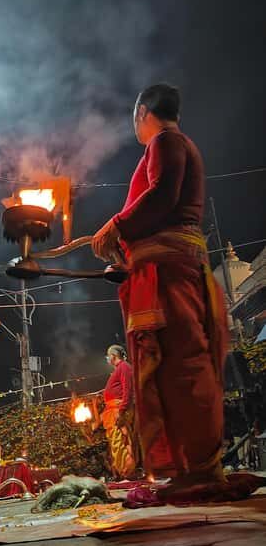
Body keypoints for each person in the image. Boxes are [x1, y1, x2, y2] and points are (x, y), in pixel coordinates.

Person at [92, 83, 231, 494]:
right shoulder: (176, 143)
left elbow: (161, 196)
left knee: (180, 364)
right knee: (177, 363)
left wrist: (116, 226)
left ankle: (198, 468)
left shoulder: (165, 142)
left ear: (142, 111)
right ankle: (192, 468)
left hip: (172, 272)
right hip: (174, 266)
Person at [101, 345, 139, 480]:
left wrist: (122, 410)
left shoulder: (124, 367)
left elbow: (127, 390)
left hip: (119, 410)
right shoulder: (120, 369)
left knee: (121, 441)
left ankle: (128, 472)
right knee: (116, 441)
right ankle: (124, 472)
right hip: (113, 410)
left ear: (113, 356)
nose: (107, 359)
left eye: (108, 356)